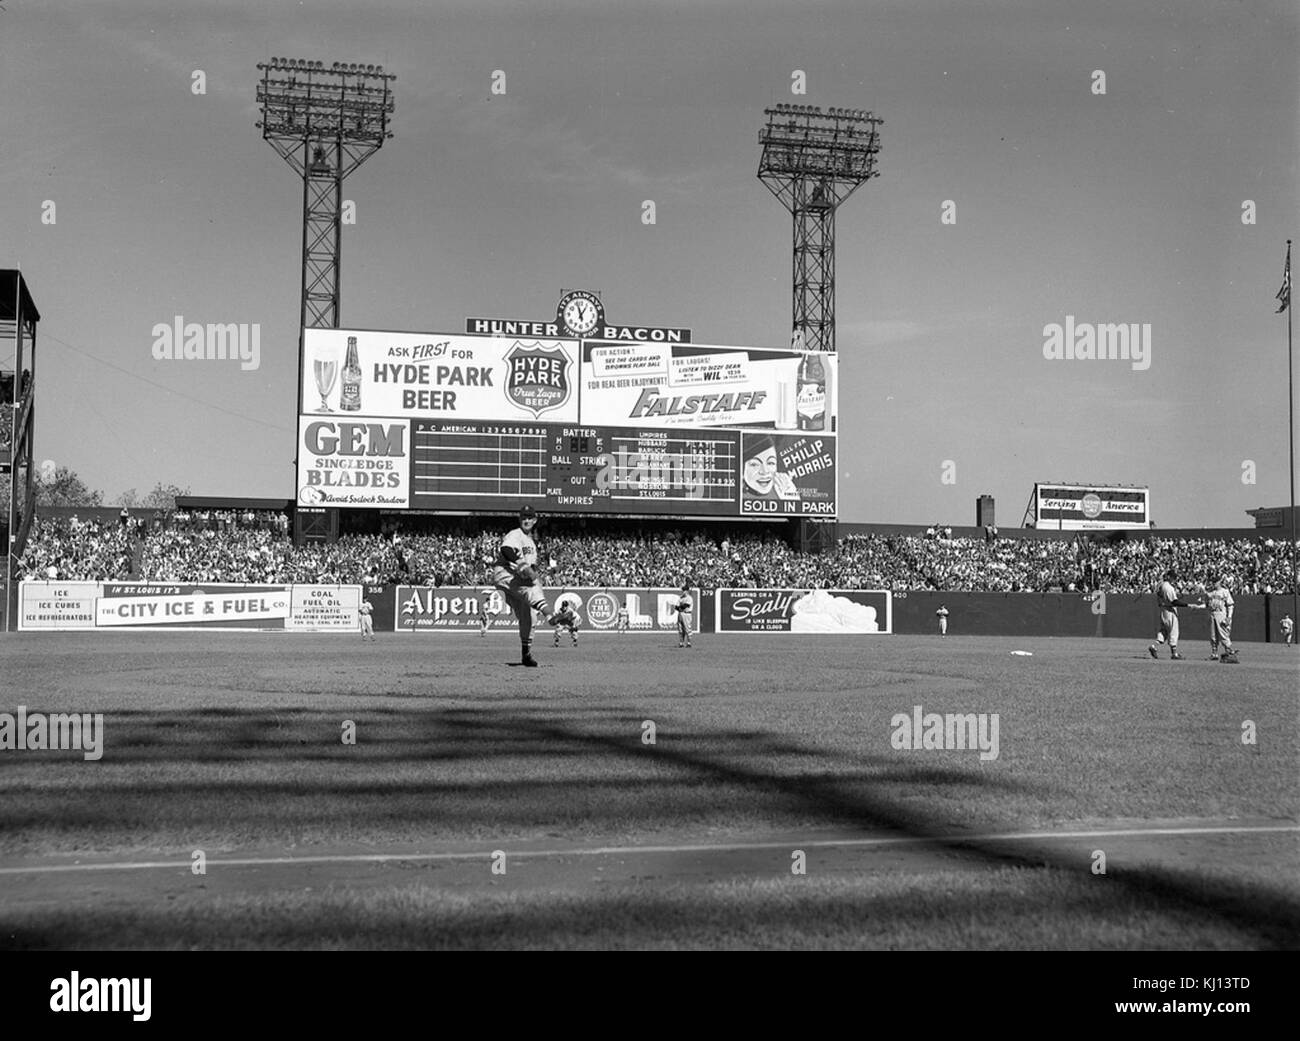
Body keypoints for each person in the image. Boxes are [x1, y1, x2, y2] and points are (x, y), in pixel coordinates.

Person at [491, 505, 555, 667]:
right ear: (520, 520)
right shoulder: (516, 534)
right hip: (504, 572)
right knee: (532, 588)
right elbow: (505, 550)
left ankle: (526, 655)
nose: (526, 520)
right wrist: (522, 565)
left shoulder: (531, 544)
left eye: (529, 518)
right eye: (523, 518)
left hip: (516, 579)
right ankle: (550, 616)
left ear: (535, 520)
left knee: (529, 616)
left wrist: (531, 572)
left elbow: (531, 569)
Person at [1149, 569, 1202, 661]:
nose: (1174, 579)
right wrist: (1189, 605)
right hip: (1170, 610)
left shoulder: (1161, 585)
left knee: (1163, 631)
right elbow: (1174, 602)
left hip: (1163, 609)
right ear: (1168, 576)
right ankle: (1174, 654)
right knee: (1173, 631)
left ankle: (1154, 646)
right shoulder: (1168, 587)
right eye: (1173, 577)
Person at [741, 435, 799, 503]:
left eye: (770, 463)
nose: (765, 471)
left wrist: (792, 498)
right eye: (755, 464)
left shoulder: (783, 491)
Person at [1206, 576, 1238, 663]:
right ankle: (1214, 654)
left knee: (1223, 634)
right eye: (1213, 582)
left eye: (1215, 581)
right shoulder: (1209, 593)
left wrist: (1229, 616)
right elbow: (1206, 605)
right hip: (1212, 613)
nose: (1214, 583)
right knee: (1213, 636)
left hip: (1221, 614)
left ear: (1220, 582)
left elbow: (1230, 605)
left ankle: (1229, 652)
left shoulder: (1225, 592)